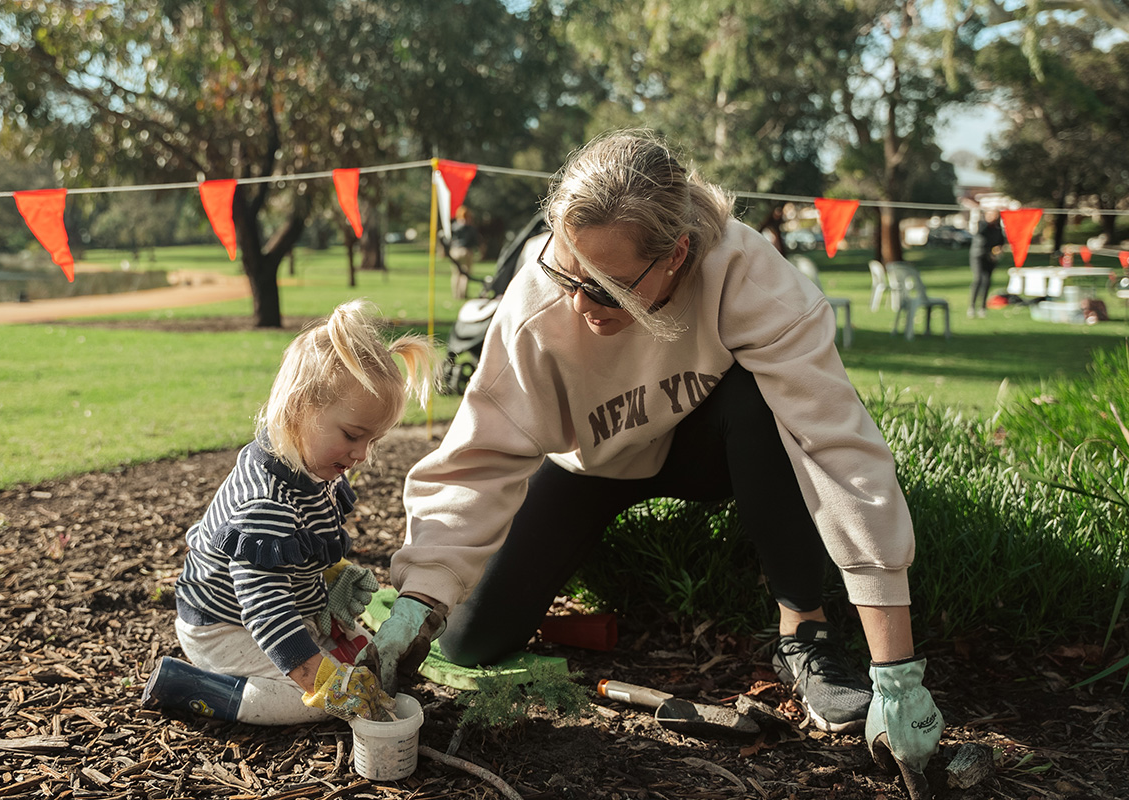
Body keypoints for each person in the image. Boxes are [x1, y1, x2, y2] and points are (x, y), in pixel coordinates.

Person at [365, 130, 943, 783]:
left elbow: (837, 445)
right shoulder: (539, 298)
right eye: (570, 274)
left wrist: (895, 672)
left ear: (678, 255)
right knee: (468, 640)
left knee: (766, 402)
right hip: (591, 460)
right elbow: (482, 452)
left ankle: (801, 631)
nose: (582, 305)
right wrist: (422, 592)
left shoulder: (746, 270)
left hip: (714, 448)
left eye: (610, 288)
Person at [141, 300, 438, 725]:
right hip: (224, 627)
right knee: (314, 704)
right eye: (354, 436)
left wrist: (329, 575)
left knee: (364, 662)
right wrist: (321, 682)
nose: (362, 455)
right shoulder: (265, 506)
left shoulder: (315, 465)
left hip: (280, 604)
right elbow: (267, 614)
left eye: (373, 440)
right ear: (299, 408)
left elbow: (305, 540)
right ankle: (192, 686)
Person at [968, 209, 1005, 318]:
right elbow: (981, 232)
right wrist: (987, 219)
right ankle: (972, 306)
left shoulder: (997, 229)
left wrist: (998, 251)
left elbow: (1001, 242)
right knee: (978, 279)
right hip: (978, 255)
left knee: (987, 281)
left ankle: (982, 307)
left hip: (990, 257)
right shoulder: (982, 224)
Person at [448, 206, 480, 300]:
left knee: (455, 273)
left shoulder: (454, 226)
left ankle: (455, 294)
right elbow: (475, 240)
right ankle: (463, 294)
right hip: (466, 251)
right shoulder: (469, 227)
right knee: (465, 274)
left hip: (454, 251)